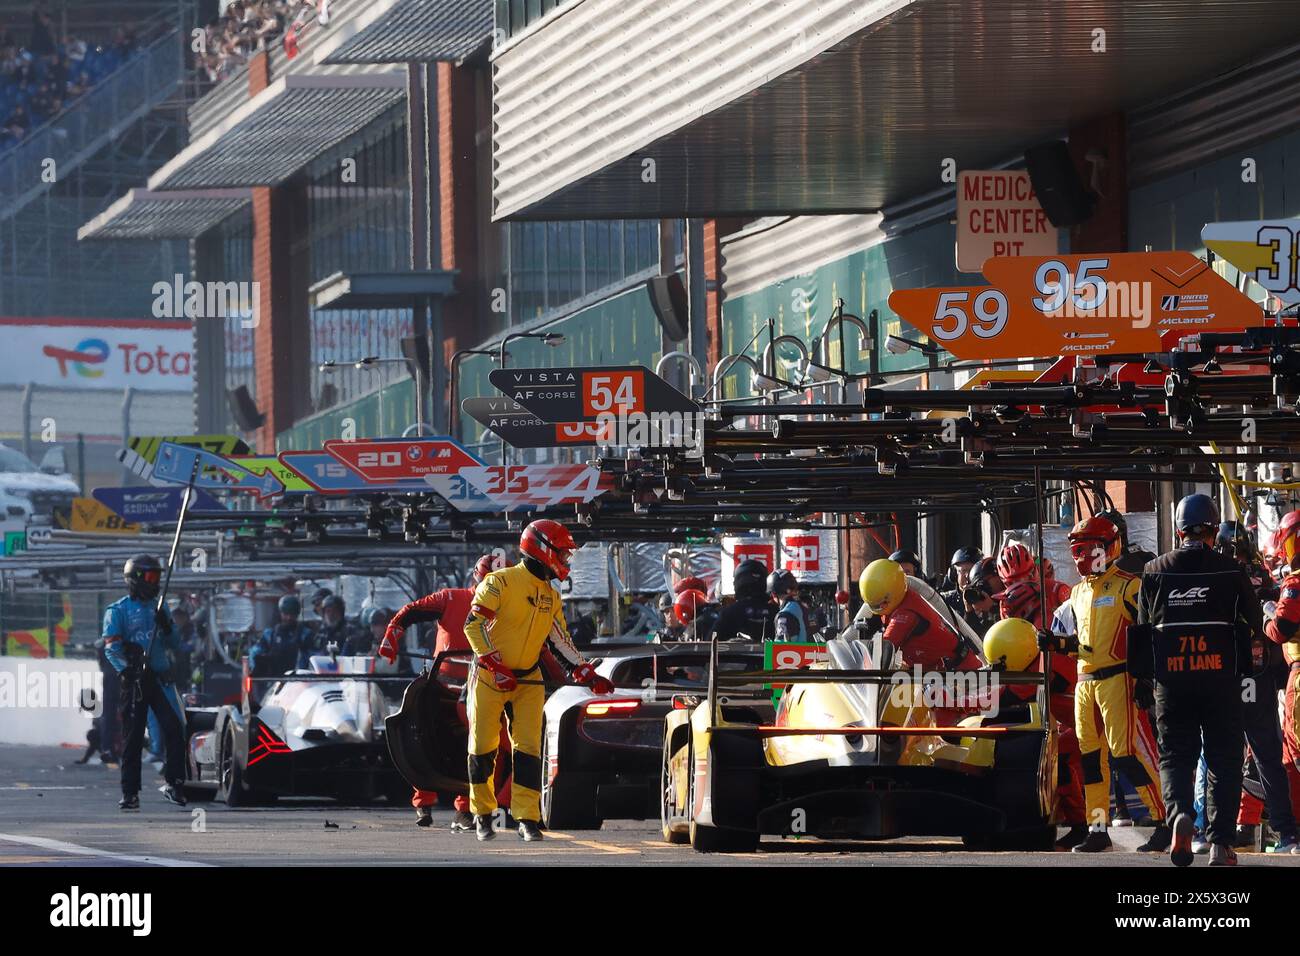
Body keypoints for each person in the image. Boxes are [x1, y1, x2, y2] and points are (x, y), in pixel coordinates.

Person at [463, 520, 615, 842]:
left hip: (527, 680)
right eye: (563, 554)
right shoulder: (499, 583)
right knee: (482, 747)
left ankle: (527, 818)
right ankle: (482, 813)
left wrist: (585, 672)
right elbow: (472, 626)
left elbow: (560, 641)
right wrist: (494, 663)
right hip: (489, 677)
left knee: (530, 750)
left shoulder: (551, 596)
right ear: (543, 549)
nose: (566, 561)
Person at [1131, 494, 1258, 867]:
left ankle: (1180, 818)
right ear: (1214, 529)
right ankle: (1220, 844)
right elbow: (1253, 620)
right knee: (1224, 758)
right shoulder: (1229, 570)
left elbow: (1142, 630)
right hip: (1220, 678)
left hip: (1171, 681)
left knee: (1175, 754)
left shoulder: (1155, 569)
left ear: (1179, 529)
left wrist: (1143, 683)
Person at [1038, 515, 1165, 853]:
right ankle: (1098, 829)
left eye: (1087, 548)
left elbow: (1149, 633)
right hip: (1085, 682)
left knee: (1126, 755)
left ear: (1107, 547)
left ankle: (1163, 819)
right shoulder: (1078, 593)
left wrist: (1145, 677)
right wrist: (1056, 644)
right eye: (1077, 549)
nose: (1081, 556)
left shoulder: (1128, 585)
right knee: (1091, 759)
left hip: (1117, 679)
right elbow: (1083, 644)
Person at [380, 553, 509, 830]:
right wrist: (393, 631)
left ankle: (465, 807)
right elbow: (412, 610)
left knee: (480, 747)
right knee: (422, 736)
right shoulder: (451, 598)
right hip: (441, 687)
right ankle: (426, 802)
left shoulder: (511, 607)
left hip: (483, 686)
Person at [1214, 518, 1298, 852]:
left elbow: (1279, 626)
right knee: (1263, 756)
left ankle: (1220, 831)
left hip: (1231, 673)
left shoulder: (1217, 576)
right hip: (1262, 675)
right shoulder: (1266, 577)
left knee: (1226, 756)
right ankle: (1277, 829)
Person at [984, 617, 1086, 849]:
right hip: (1086, 724)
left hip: (1096, 726)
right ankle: (1084, 826)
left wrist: (952, 698)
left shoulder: (1043, 669)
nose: (998, 670)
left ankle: (1082, 826)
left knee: (1056, 760)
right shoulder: (1042, 660)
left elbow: (999, 701)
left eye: (1000, 664)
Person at [102, 554, 186, 810]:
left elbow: (175, 644)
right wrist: (125, 670)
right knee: (134, 736)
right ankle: (130, 793)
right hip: (136, 681)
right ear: (135, 580)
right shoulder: (118, 611)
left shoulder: (161, 608)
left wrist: (167, 626)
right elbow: (111, 648)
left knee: (175, 727)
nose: (155, 582)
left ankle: (174, 783)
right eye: (150, 577)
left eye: (157, 577)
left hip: (160, 680)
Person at [859, 559, 981, 672]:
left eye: (880, 604)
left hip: (961, 673)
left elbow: (883, 651)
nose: (877, 609)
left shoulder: (906, 614)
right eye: (873, 605)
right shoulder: (903, 599)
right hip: (937, 671)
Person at [1263, 509, 1300, 854]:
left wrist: (1265, 612)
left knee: (1294, 754)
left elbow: (1280, 630)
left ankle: (1296, 834)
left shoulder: (1296, 584)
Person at [712, 559, 777, 642]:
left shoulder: (731, 612)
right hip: (772, 655)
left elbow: (709, 645)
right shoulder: (776, 611)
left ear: (739, 581)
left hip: (735, 654)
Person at [249, 594, 313, 676]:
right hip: (274, 680)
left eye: (292, 614)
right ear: (281, 613)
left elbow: (312, 658)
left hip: (297, 680)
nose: (289, 617)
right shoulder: (270, 634)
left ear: (297, 614)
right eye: (286, 614)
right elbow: (255, 652)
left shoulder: (305, 634)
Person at [768, 569, 809, 642]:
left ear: (774, 594)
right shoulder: (805, 607)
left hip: (797, 653)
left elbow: (781, 648)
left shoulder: (784, 615)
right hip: (815, 652)